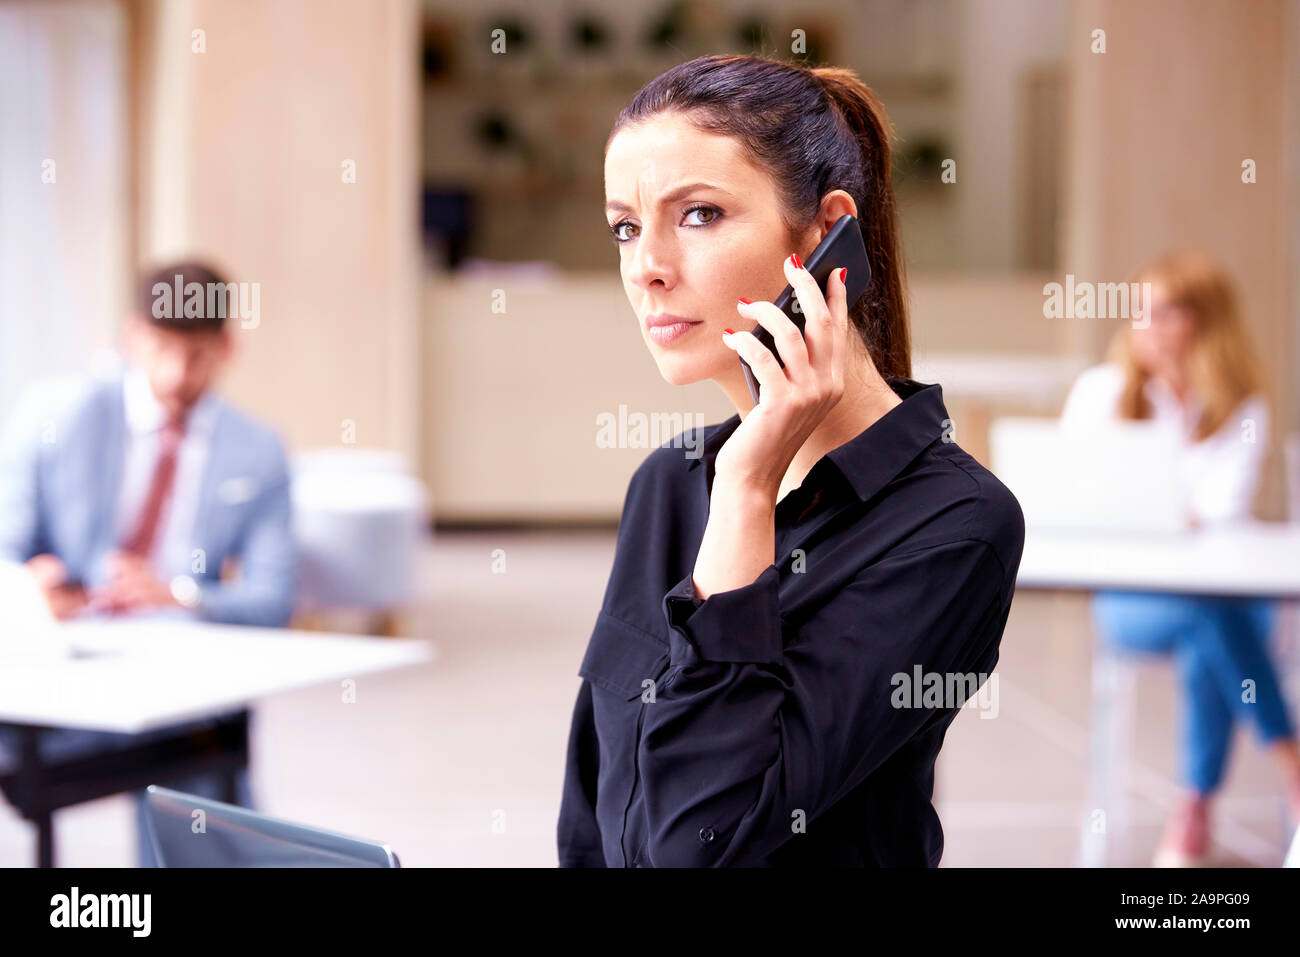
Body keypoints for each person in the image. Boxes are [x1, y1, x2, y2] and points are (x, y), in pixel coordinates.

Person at [557, 54, 1025, 867]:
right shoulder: (668, 483)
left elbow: (704, 840)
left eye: (698, 214)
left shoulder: (956, 526)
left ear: (825, 234)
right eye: (626, 227)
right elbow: (591, 820)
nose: (646, 266)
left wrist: (746, 491)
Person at [0, 259, 297, 866]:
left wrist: (179, 594)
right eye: (162, 349)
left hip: (177, 668)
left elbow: (273, 598)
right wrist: (32, 590)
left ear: (226, 348)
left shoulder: (257, 450)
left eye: (196, 355)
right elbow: (8, 548)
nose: (175, 375)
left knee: (198, 763)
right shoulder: (57, 415)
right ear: (133, 336)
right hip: (60, 658)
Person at [1061, 249, 1300, 866]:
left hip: (1222, 597)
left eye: (1165, 312)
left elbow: (1223, 509)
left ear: (1206, 321)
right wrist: (1166, 513)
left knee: (1207, 627)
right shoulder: (1101, 393)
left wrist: (1150, 507)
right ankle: (1290, 764)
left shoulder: (1240, 405)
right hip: (1132, 602)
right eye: (1139, 310)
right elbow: (1078, 495)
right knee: (1211, 612)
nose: (1146, 325)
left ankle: (1192, 813)